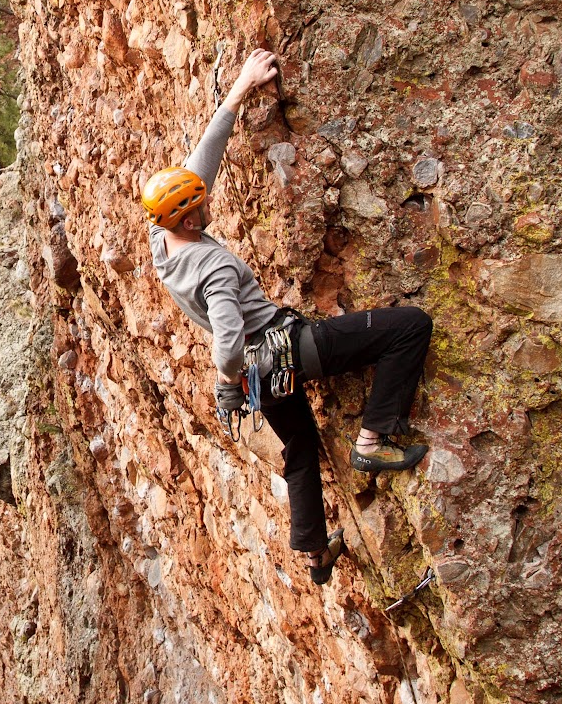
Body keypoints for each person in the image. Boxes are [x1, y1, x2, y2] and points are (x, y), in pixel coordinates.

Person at [140, 48, 433, 586]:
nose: (207, 203)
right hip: (290, 349)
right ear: (189, 216)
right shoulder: (213, 268)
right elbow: (226, 338)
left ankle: (315, 553)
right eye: (199, 204)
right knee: (410, 325)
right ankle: (372, 441)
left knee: (299, 448)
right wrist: (224, 378)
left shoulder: (164, 242)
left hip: (263, 377)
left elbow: (199, 165)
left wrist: (237, 91)